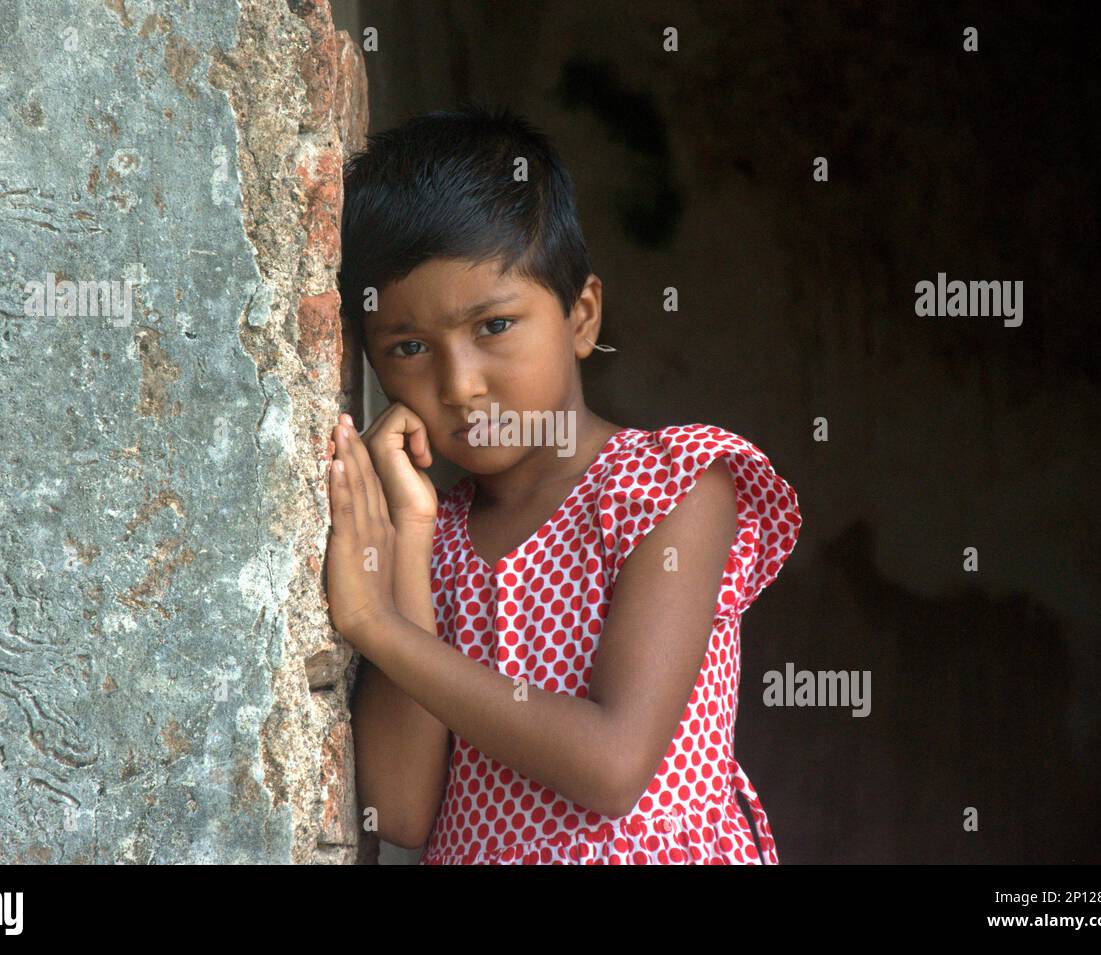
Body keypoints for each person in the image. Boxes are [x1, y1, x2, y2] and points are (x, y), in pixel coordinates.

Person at [326, 103, 801, 864]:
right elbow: (400, 808)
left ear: (581, 315)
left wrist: (377, 627)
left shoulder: (670, 489)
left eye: (494, 326)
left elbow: (612, 767)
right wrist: (408, 544)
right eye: (410, 345)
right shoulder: (432, 536)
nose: (460, 384)